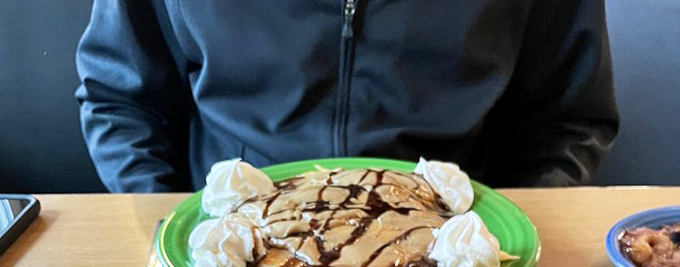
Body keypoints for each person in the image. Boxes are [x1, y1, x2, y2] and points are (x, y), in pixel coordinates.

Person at [75, 0, 619, 194]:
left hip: (455, 265)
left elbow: (568, 120)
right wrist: (174, 227)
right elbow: (120, 97)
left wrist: (502, 237)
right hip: (224, 252)